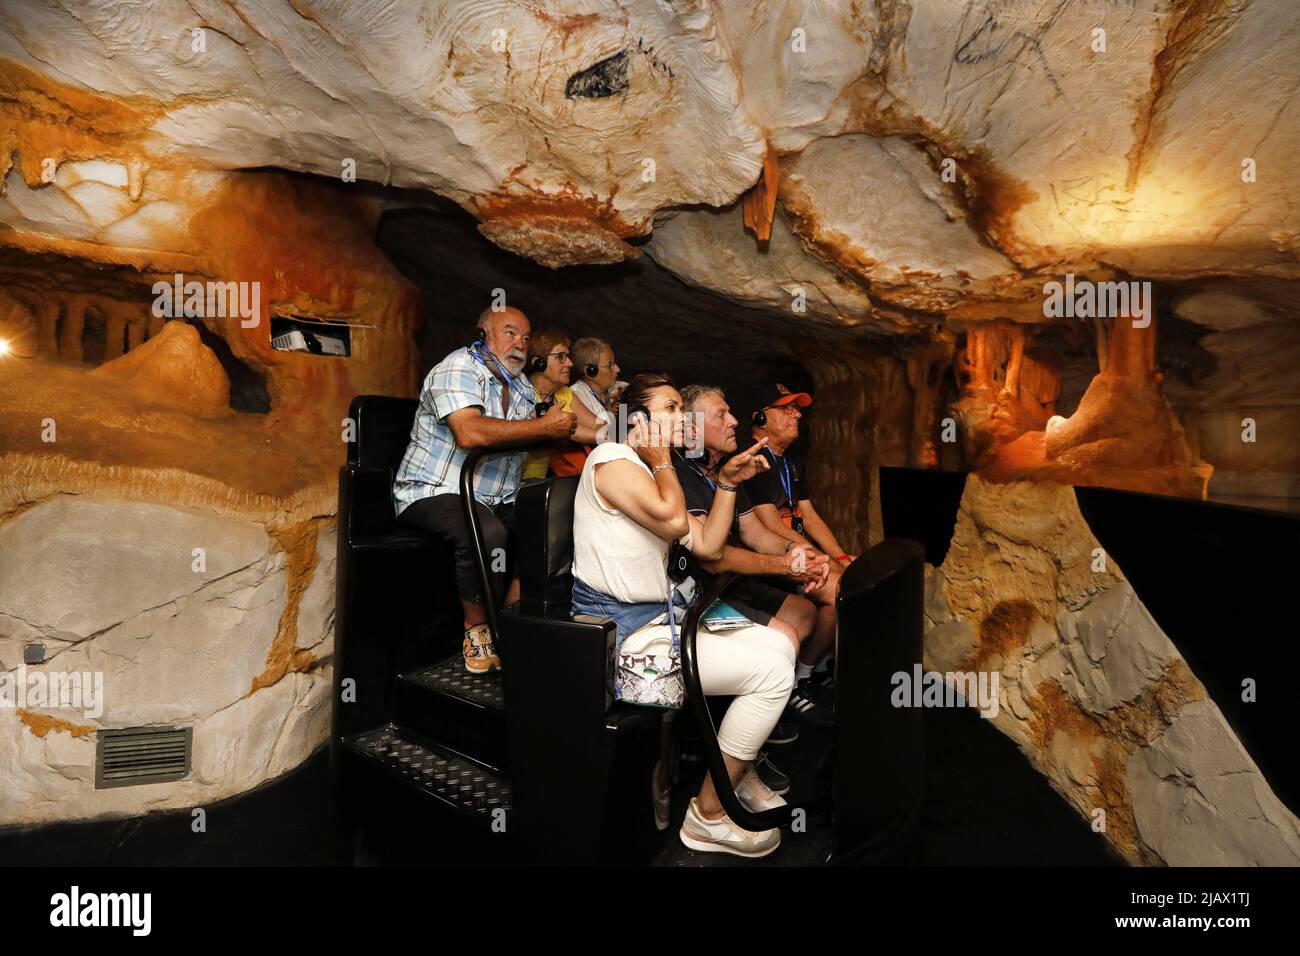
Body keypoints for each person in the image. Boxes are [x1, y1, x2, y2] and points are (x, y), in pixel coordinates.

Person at [570, 373, 794, 859]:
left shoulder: (651, 470)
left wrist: (729, 484)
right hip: (618, 640)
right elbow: (674, 522)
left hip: (660, 622)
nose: (682, 417)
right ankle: (710, 816)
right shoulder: (613, 460)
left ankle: (733, 775)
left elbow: (709, 544)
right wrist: (661, 460)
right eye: (671, 408)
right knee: (772, 673)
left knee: (782, 646)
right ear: (639, 421)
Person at [393, 305, 577, 674]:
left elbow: (526, 441)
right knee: (486, 530)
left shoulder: (522, 386)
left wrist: (559, 428)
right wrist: (543, 430)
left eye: (525, 337)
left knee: (549, 519)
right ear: (483, 336)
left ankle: (511, 611)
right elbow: (470, 432)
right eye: (509, 333)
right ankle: (476, 628)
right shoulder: (458, 368)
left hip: (495, 496)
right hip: (432, 489)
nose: (520, 344)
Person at [676, 385, 835, 735]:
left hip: (731, 586)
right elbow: (715, 558)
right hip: (701, 596)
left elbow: (757, 534)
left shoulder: (725, 467)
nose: (734, 421)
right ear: (691, 429)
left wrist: (799, 555)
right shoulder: (681, 474)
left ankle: (767, 705)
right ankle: (736, 726)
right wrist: (788, 567)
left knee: (807, 614)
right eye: (722, 415)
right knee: (785, 639)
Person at [748, 384, 855, 702]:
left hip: (794, 546)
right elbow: (767, 525)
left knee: (848, 580)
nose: (797, 414)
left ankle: (811, 668)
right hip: (768, 553)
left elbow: (806, 514)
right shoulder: (753, 459)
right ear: (761, 417)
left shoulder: (789, 462)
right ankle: (801, 675)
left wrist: (840, 555)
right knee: (838, 592)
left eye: (797, 408)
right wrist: (820, 559)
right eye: (786, 408)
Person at [522, 330, 606, 480]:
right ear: (538, 363)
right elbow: (566, 428)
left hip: (541, 483)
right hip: (518, 483)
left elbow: (599, 426)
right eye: (560, 357)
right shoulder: (521, 391)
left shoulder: (564, 393)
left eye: (568, 356)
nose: (570, 363)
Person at [570, 336, 620, 422]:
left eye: (614, 363)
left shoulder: (621, 387)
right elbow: (605, 432)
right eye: (609, 365)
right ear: (590, 371)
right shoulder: (576, 396)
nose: (617, 369)